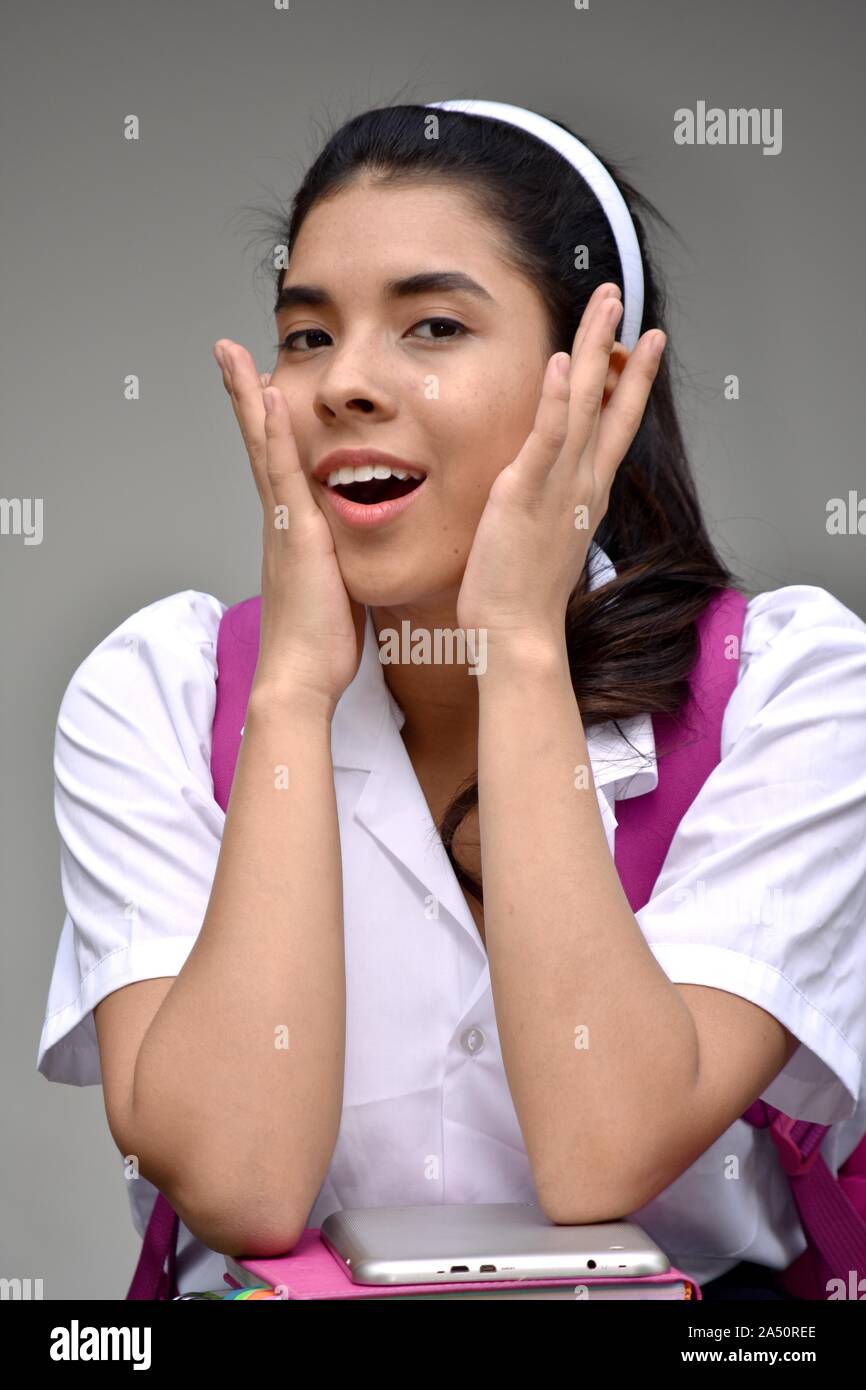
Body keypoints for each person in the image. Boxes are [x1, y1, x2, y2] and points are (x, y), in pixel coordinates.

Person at [37, 100, 866, 1300]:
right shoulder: (158, 693)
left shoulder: (792, 687)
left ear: (603, 379)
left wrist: (520, 646)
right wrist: (290, 693)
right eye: (307, 336)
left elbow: (601, 1148)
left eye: (430, 324)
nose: (345, 385)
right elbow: (243, 1182)